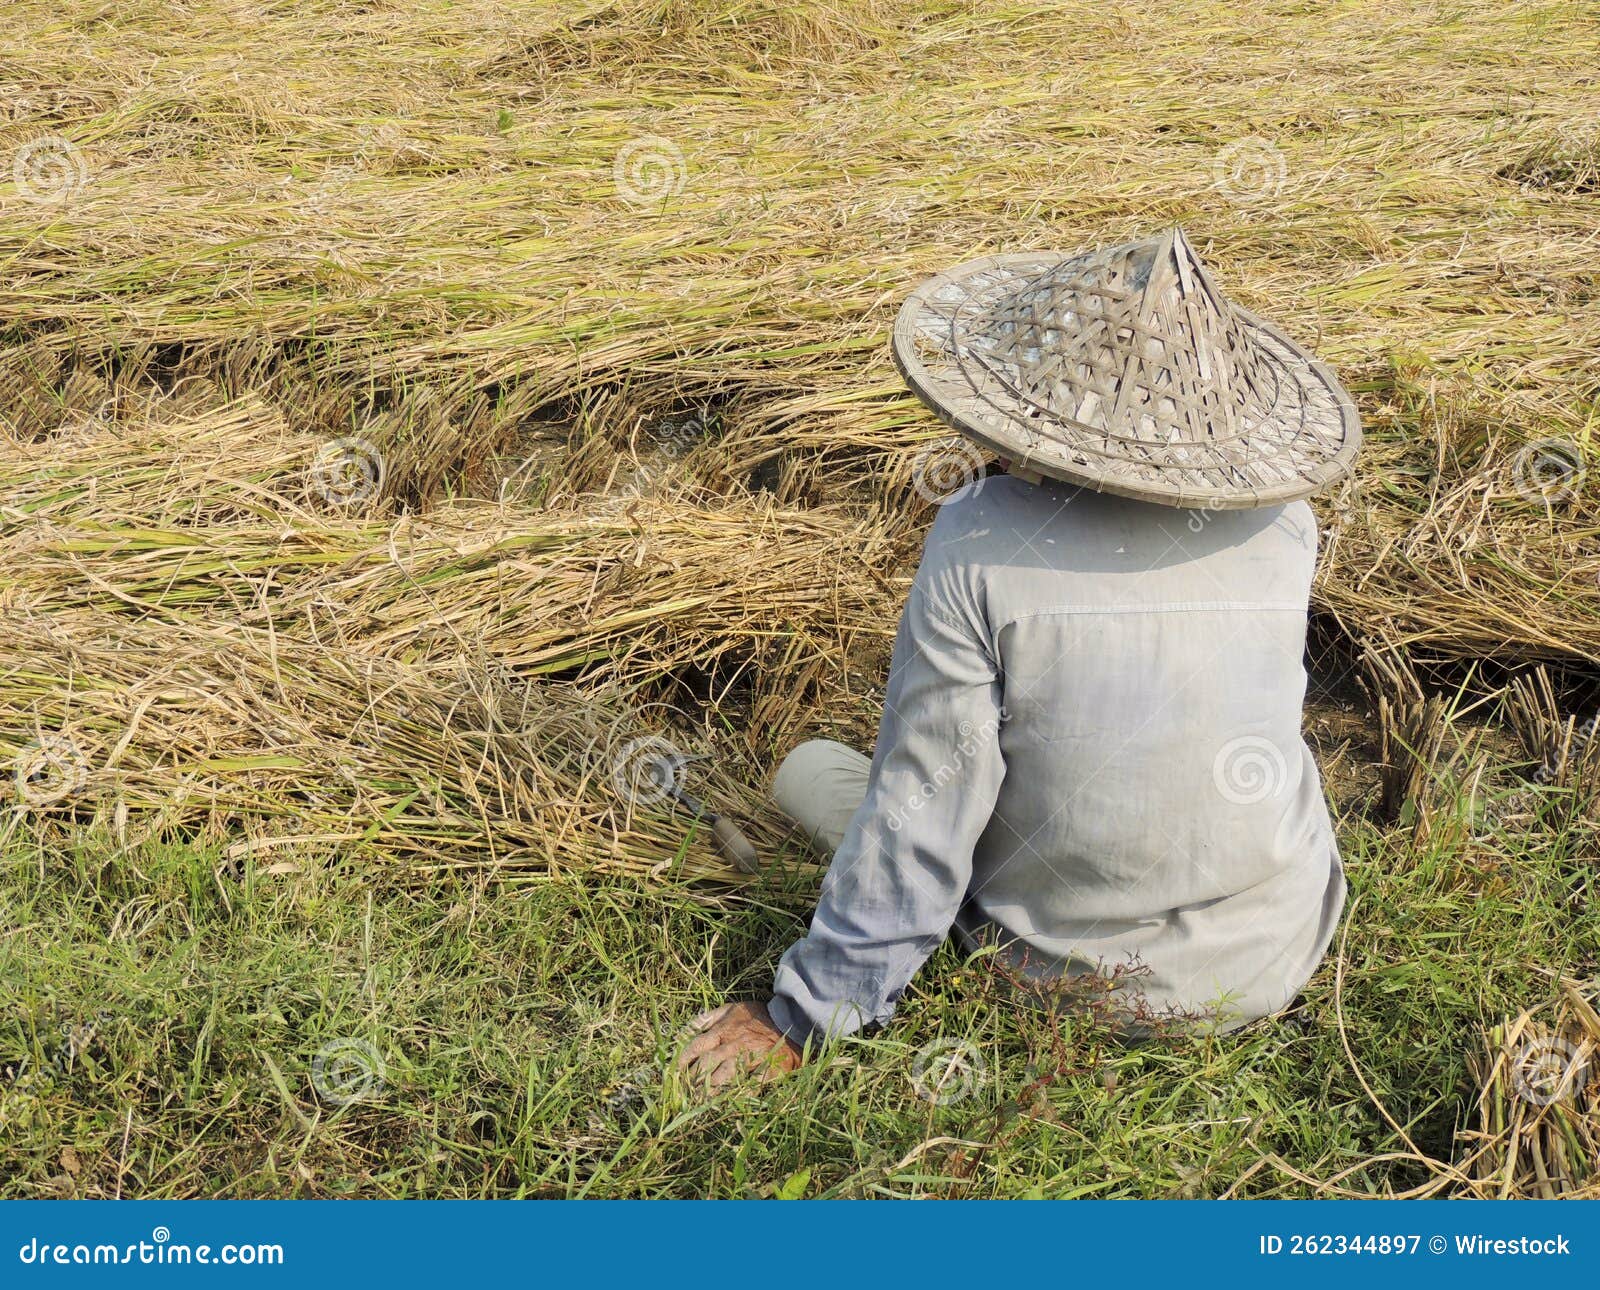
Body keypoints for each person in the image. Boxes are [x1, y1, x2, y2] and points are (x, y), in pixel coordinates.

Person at [679, 228, 1362, 1090]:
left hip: (1075, 977)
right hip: (1271, 946)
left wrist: (805, 1017)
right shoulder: (1285, 521)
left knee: (812, 768)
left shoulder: (980, 543)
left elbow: (921, 815)